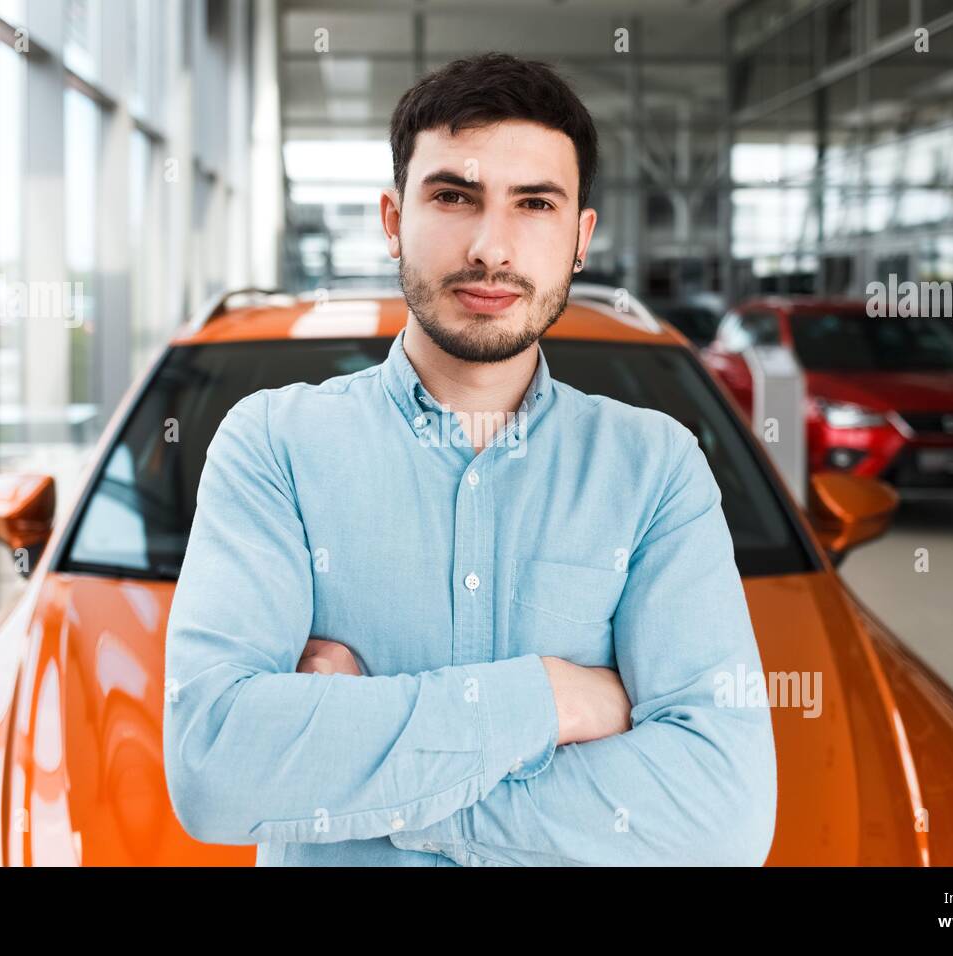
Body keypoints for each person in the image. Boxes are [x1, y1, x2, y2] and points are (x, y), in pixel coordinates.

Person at [163, 52, 776, 866]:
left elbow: (721, 816)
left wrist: (382, 790)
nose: (493, 246)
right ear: (391, 219)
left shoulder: (656, 468)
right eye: (454, 196)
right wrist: (552, 701)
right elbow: (215, 769)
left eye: (534, 204)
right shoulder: (272, 445)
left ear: (581, 237)